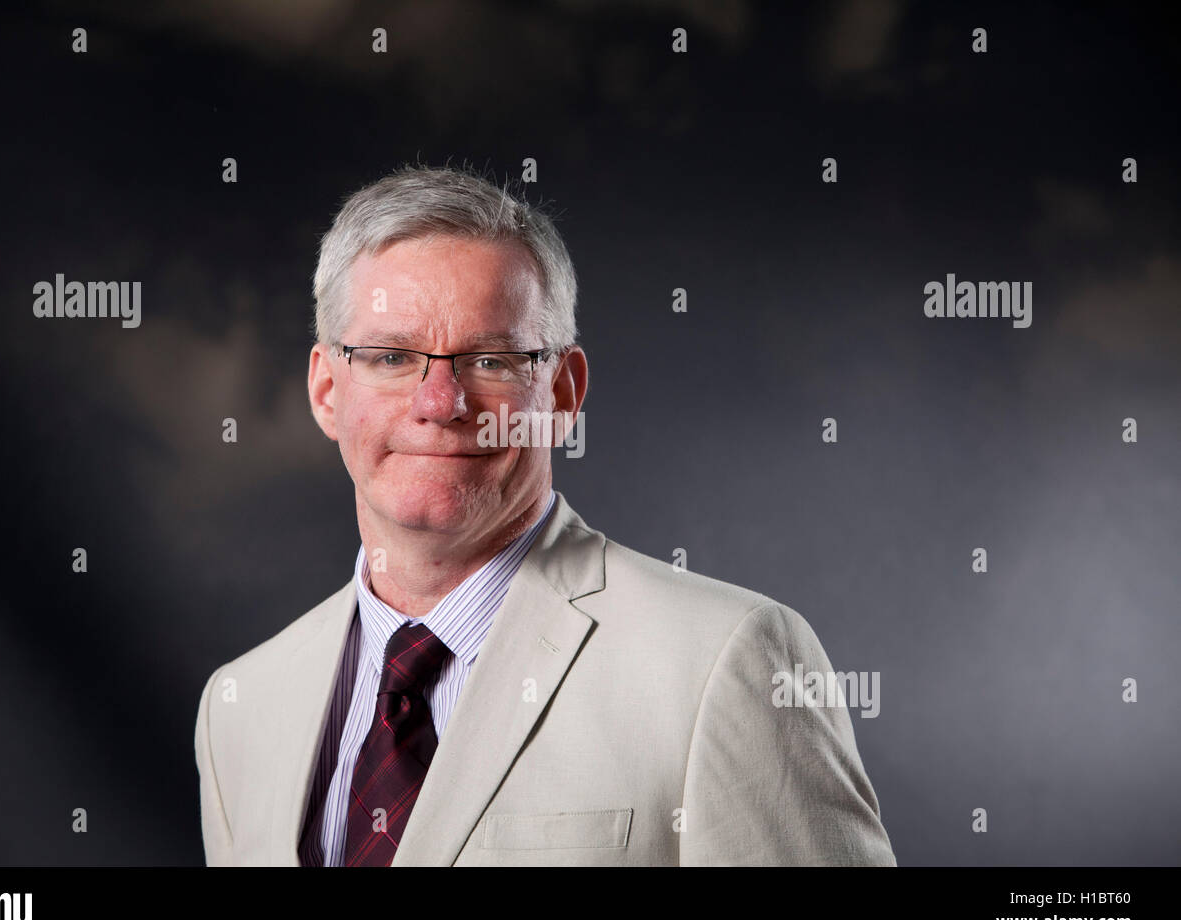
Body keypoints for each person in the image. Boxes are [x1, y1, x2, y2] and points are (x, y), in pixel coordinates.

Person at [194, 163, 897, 866]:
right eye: (390, 357)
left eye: (492, 360)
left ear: (561, 393)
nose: (440, 402)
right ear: (326, 389)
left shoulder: (728, 662)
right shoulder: (242, 706)